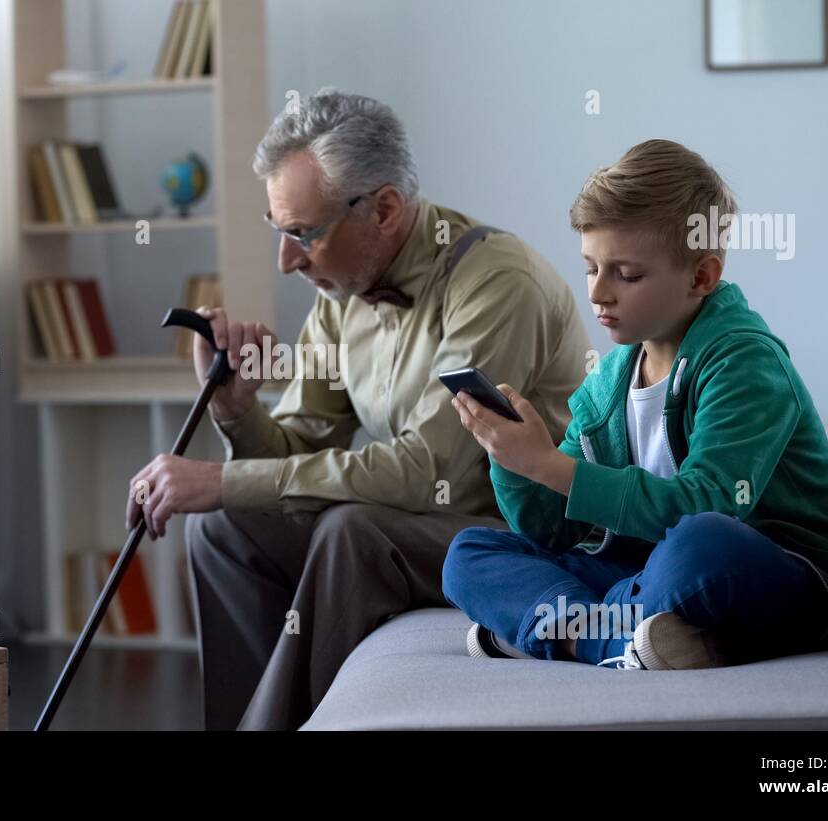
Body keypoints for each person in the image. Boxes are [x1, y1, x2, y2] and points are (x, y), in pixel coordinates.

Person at [125, 89, 589, 729]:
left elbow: (431, 474)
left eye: (302, 234)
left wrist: (222, 478)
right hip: (422, 525)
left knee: (353, 531)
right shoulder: (341, 294)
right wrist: (236, 411)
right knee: (224, 525)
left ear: (385, 209)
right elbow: (301, 446)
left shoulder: (496, 283)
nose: (286, 261)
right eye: (278, 231)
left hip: (513, 535)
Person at [443, 139, 828, 671]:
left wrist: (550, 466)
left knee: (702, 540)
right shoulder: (610, 380)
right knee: (470, 554)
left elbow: (711, 503)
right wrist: (514, 461)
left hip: (776, 570)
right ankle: (621, 639)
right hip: (646, 569)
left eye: (627, 274)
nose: (598, 293)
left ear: (701, 276)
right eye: (590, 268)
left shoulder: (745, 362)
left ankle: (560, 629)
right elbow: (551, 531)